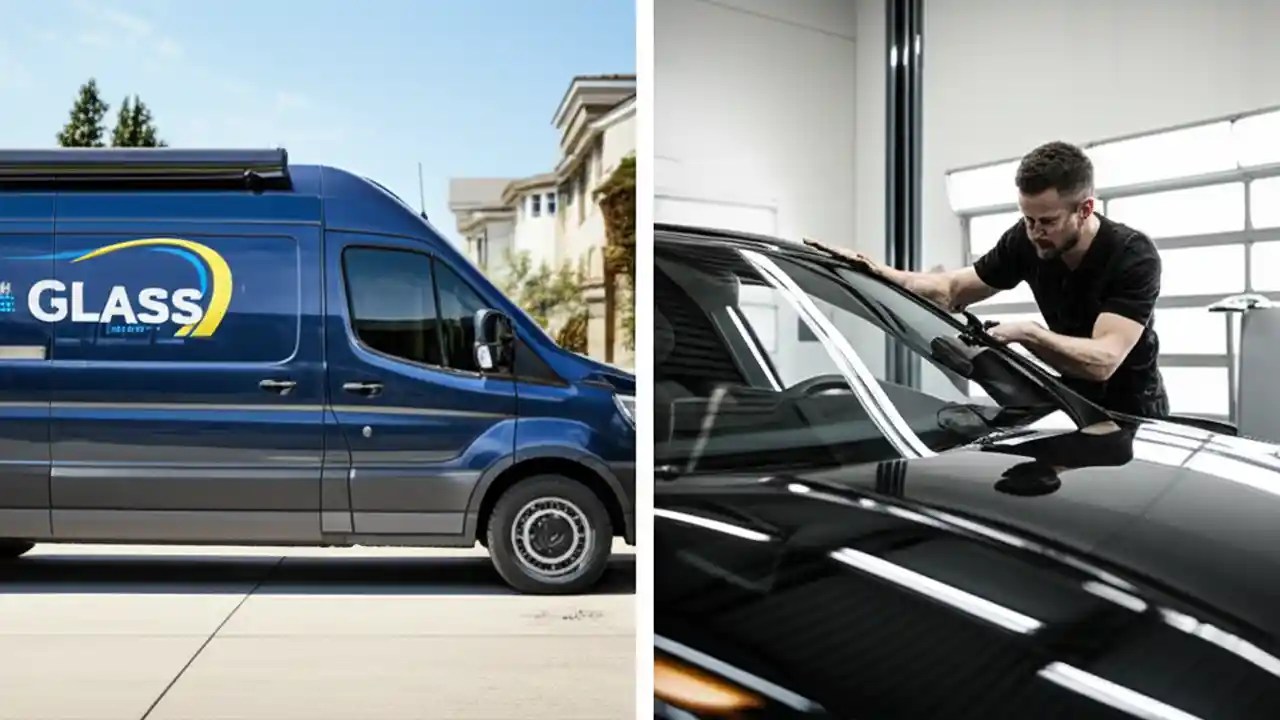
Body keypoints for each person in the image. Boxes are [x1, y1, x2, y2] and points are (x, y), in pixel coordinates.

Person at [807, 140, 1169, 418]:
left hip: (1134, 413)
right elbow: (951, 290)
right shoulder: (1024, 241)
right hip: (1070, 403)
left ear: (1085, 209)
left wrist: (1027, 333)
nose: (1034, 232)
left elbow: (1104, 360)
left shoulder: (1132, 255)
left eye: (1047, 222)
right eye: (1028, 219)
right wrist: (877, 271)